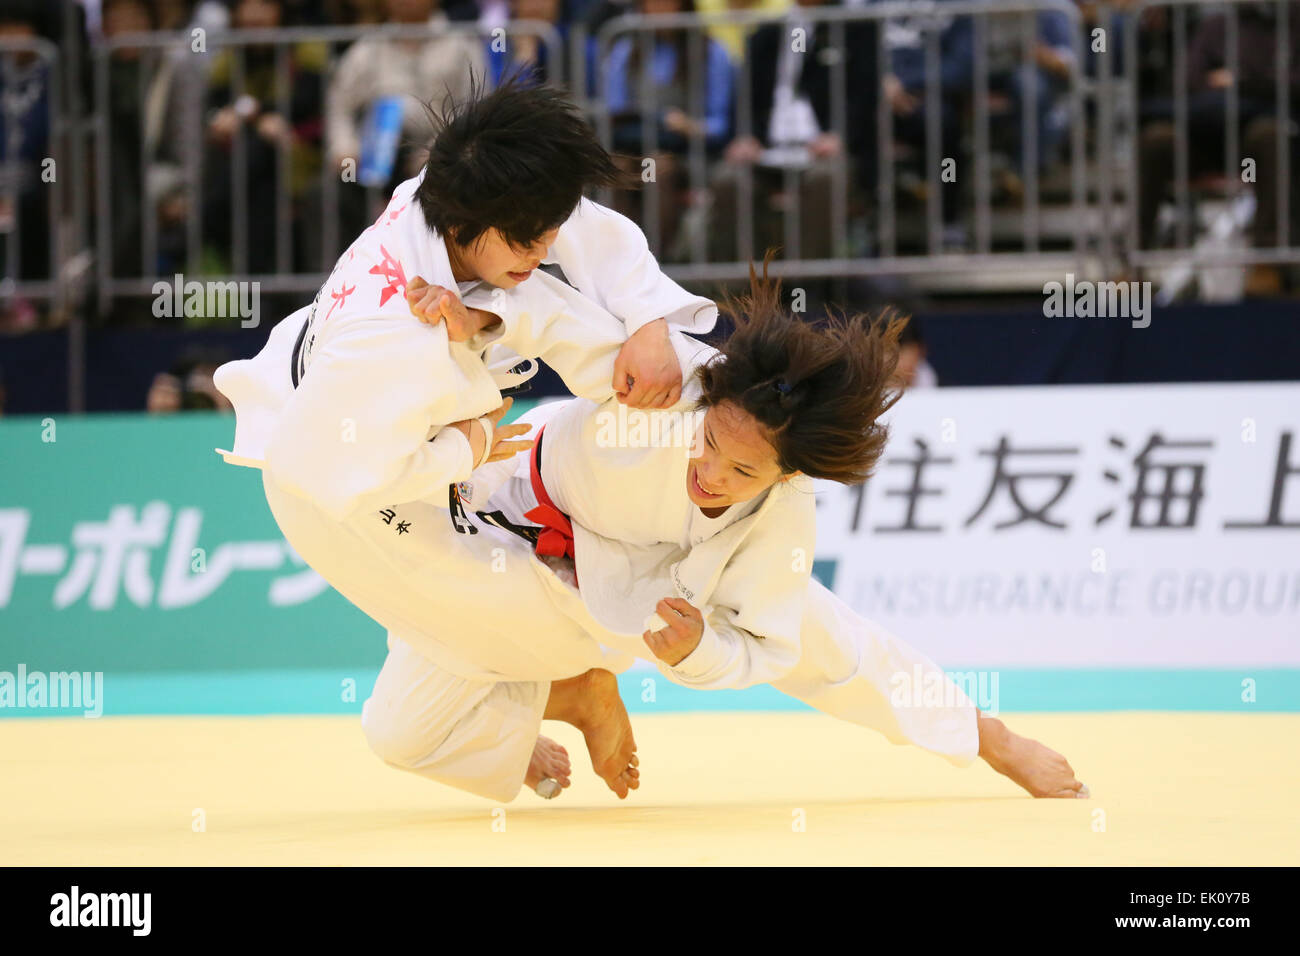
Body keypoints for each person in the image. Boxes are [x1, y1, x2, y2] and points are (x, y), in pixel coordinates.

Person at [372, 261, 1089, 802]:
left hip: (631, 590)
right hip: (509, 520)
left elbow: (783, 652)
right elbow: (557, 315)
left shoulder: (778, 518)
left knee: (833, 642)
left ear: (784, 475)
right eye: (711, 440)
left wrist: (697, 652)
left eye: (743, 471)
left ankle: (993, 740)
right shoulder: (668, 380)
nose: (710, 472)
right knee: (398, 734)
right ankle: (563, 698)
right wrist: (475, 312)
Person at [213, 80, 719, 801]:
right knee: (569, 623)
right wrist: (473, 443)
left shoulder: (458, 193)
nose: (544, 247)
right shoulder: (390, 332)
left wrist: (646, 320)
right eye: (526, 239)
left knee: (403, 729)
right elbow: (321, 470)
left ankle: (557, 692)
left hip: (394, 443)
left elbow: (584, 231)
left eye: (547, 230)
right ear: (467, 223)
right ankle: (573, 688)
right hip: (344, 494)